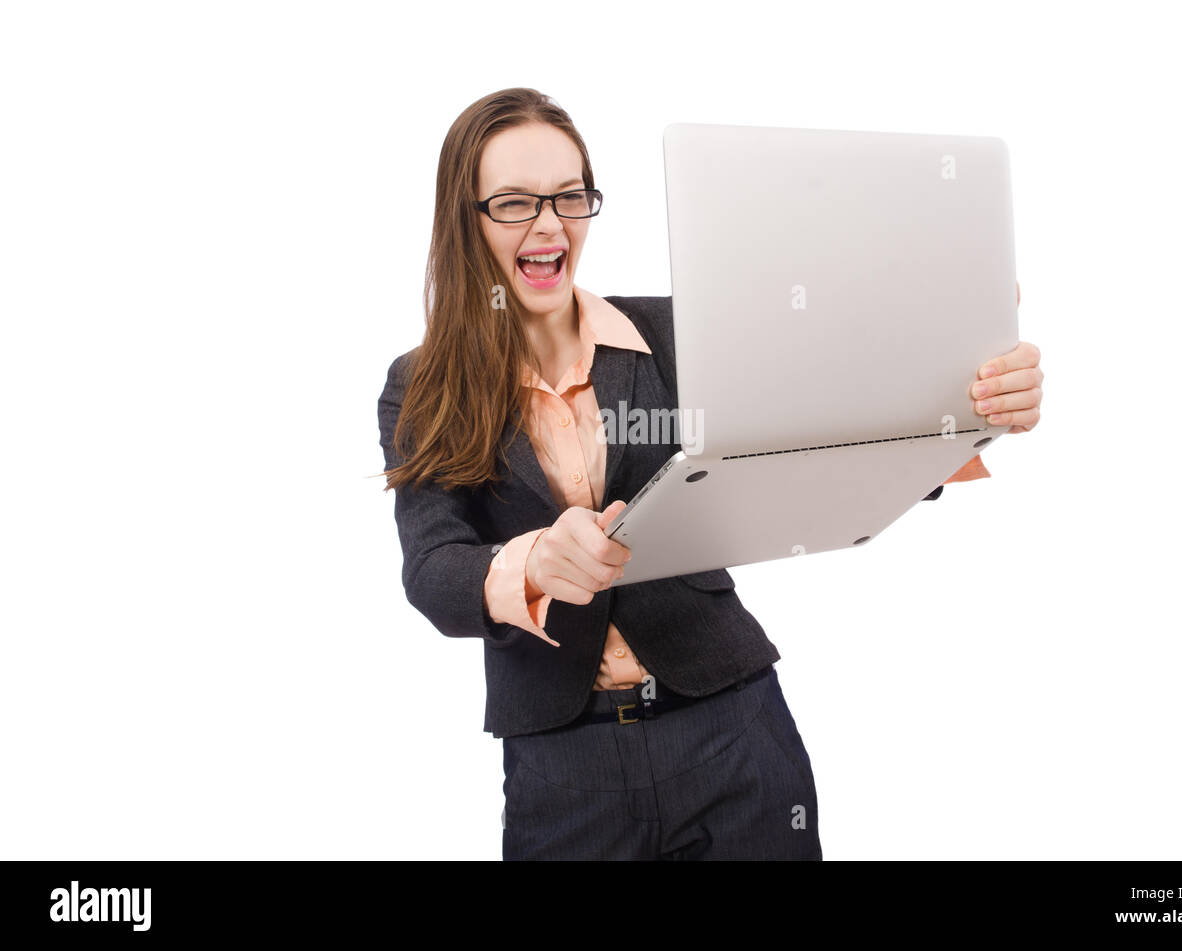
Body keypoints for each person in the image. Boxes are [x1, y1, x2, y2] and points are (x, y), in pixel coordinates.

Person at [376, 88, 1044, 861]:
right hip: (564, 767)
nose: (550, 224)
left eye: (569, 196)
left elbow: (813, 432)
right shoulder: (422, 385)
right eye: (515, 203)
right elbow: (431, 569)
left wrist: (966, 404)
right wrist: (529, 563)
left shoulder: (675, 330)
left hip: (731, 730)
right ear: (466, 216)